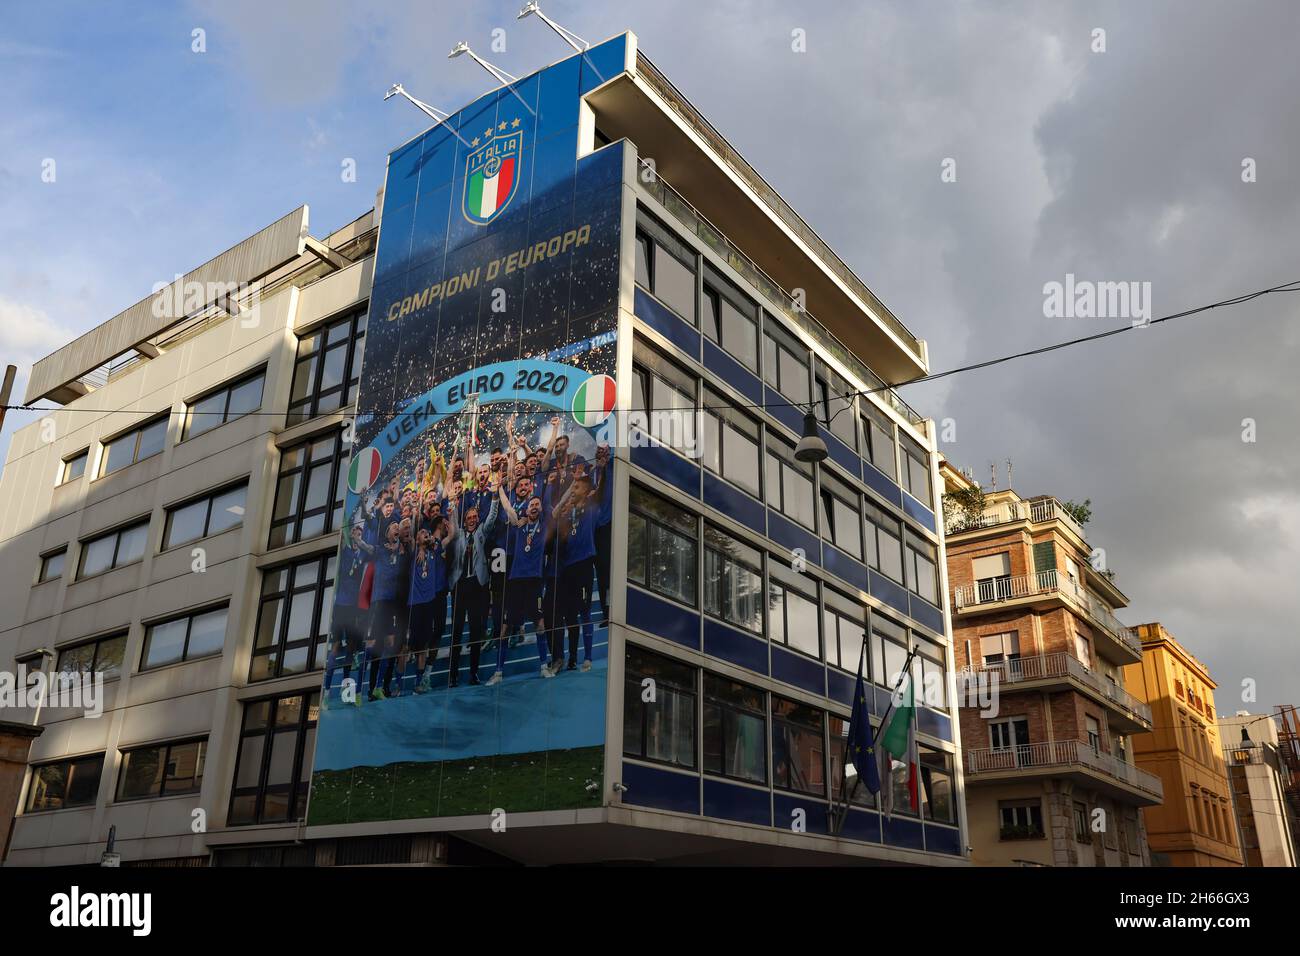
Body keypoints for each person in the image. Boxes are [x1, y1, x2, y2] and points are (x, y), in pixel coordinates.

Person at [487, 482, 553, 683]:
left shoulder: (544, 527)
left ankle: (543, 666)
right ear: (525, 509)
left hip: (534, 581)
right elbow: (507, 507)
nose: (534, 506)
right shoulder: (518, 525)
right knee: (505, 627)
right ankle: (498, 672)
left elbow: (555, 508)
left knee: (540, 623)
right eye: (531, 504)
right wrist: (499, 488)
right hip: (515, 581)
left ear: (541, 509)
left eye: (537, 504)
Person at [552, 454, 612, 672]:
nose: (574, 489)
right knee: (569, 616)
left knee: (585, 612)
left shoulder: (593, 507)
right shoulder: (568, 511)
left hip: (585, 563)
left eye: (577, 487)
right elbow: (555, 512)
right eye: (573, 486)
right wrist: (568, 491)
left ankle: (587, 657)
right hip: (568, 567)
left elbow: (602, 490)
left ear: (586, 491)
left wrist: (603, 470)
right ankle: (572, 659)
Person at [445, 491, 500, 687]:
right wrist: (452, 506)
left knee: (476, 632)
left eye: (474, 517)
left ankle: (473, 674)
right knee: (456, 632)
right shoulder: (458, 534)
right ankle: (452, 675)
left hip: (478, 585)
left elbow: (492, 518)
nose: (471, 520)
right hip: (460, 585)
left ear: (478, 519)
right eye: (468, 518)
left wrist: (494, 499)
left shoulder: (482, 532)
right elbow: (451, 521)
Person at [323, 522, 373, 708]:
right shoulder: (344, 551)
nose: (357, 534)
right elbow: (341, 535)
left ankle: (346, 694)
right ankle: (326, 694)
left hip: (354, 607)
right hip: (340, 606)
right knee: (335, 647)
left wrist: (360, 542)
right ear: (350, 534)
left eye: (360, 532)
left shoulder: (363, 554)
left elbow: (371, 550)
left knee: (351, 651)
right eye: (355, 532)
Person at [407, 519, 452, 693]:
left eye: (427, 533)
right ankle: (397, 682)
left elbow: (448, 536)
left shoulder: (435, 551)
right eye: (422, 533)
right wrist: (419, 547)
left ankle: (420, 681)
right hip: (415, 603)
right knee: (408, 645)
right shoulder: (413, 553)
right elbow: (411, 538)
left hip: (430, 601)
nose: (425, 534)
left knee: (423, 644)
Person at [368, 520, 411, 700]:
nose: (396, 529)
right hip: (381, 602)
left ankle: (384, 686)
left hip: (397, 603)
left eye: (397, 527)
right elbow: (366, 548)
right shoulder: (381, 550)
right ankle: (372, 689)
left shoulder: (404, 551)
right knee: (379, 645)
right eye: (393, 527)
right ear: (386, 534)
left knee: (392, 645)